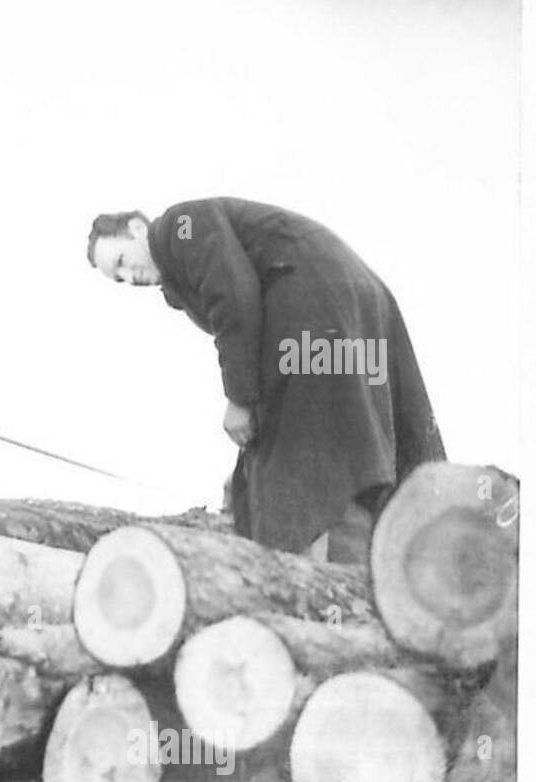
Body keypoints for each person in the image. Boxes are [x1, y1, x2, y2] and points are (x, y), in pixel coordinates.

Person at [86, 197, 445, 563]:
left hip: (312, 301)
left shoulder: (181, 226)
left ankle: (305, 580)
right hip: (352, 303)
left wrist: (239, 400)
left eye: (122, 261)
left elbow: (234, 298)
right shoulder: (179, 270)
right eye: (119, 279)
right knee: (351, 442)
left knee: (288, 455)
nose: (129, 278)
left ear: (136, 228)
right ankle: (367, 575)